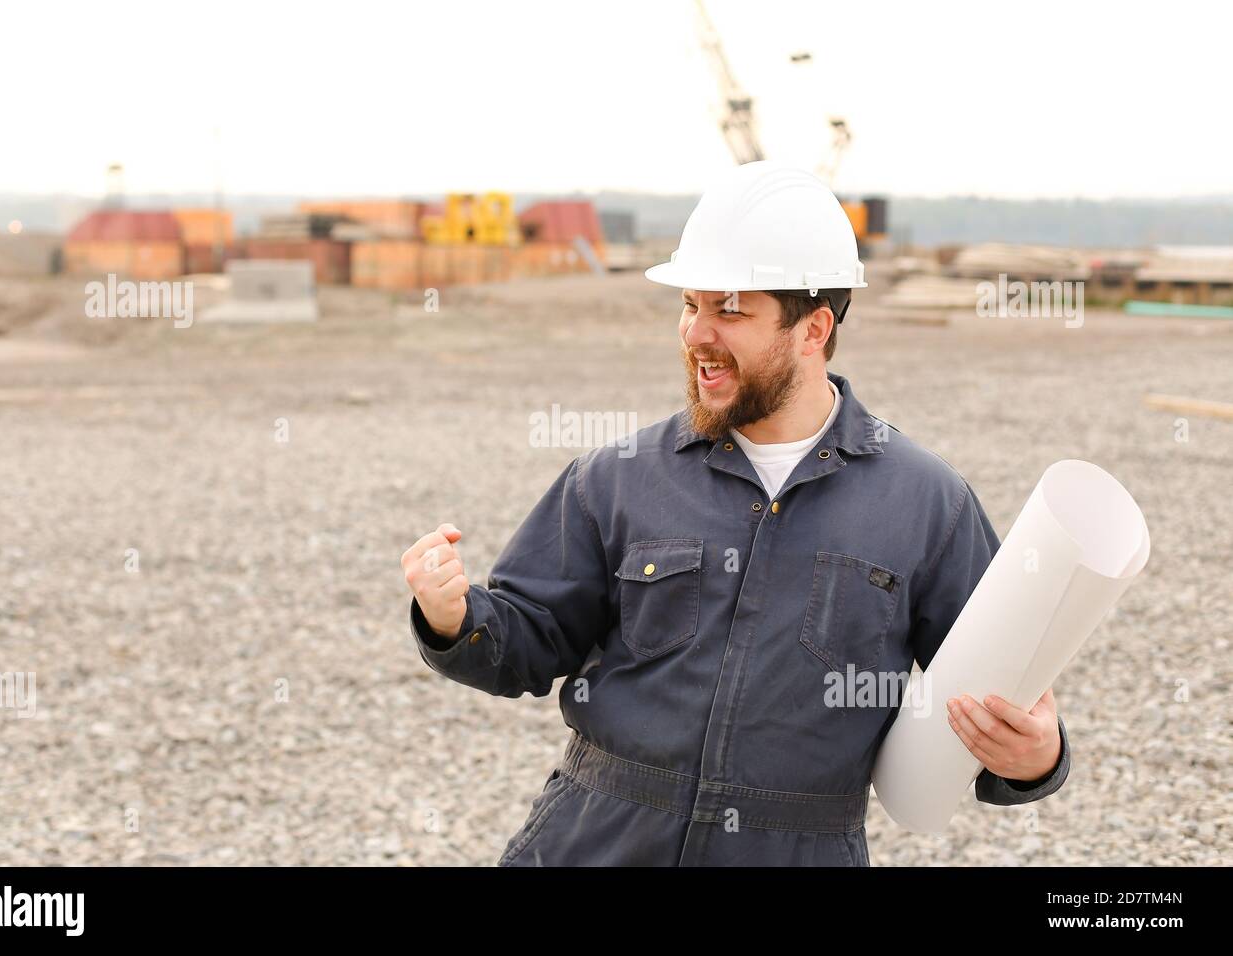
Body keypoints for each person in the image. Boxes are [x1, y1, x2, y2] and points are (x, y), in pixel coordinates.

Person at [400, 161, 1070, 866]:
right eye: (690, 305)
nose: (696, 334)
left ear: (812, 330)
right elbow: (527, 642)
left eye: (729, 310)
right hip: (595, 838)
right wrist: (454, 619)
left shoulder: (926, 504)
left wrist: (1034, 757)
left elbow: (995, 688)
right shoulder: (619, 476)